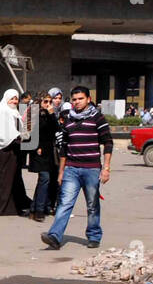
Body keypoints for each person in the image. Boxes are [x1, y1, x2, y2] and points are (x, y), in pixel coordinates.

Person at [42, 86, 113, 250]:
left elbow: (108, 143)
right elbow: (64, 147)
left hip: (92, 169)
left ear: (88, 99)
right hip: (71, 169)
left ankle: (94, 235)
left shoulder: (98, 118)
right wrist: (61, 172)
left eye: (80, 99)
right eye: (74, 99)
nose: (77, 102)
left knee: (92, 204)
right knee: (65, 203)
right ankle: (55, 235)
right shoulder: (68, 118)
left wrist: (106, 168)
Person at [0, 88, 30, 216]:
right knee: (1, 181)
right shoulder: (3, 111)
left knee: (11, 180)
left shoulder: (14, 112)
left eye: (16, 98)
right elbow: (3, 133)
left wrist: (22, 135)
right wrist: (18, 137)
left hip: (11, 150)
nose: (14, 101)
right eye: (12, 98)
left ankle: (13, 206)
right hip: (1, 151)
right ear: (6, 99)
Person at [28, 89, 61, 221]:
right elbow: (31, 132)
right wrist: (37, 147)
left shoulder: (50, 114)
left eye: (49, 101)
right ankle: (39, 210)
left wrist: (52, 114)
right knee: (44, 178)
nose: (48, 104)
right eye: (45, 101)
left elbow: (56, 129)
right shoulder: (34, 113)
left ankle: (34, 208)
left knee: (44, 180)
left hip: (49, 151)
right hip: (38, 150)